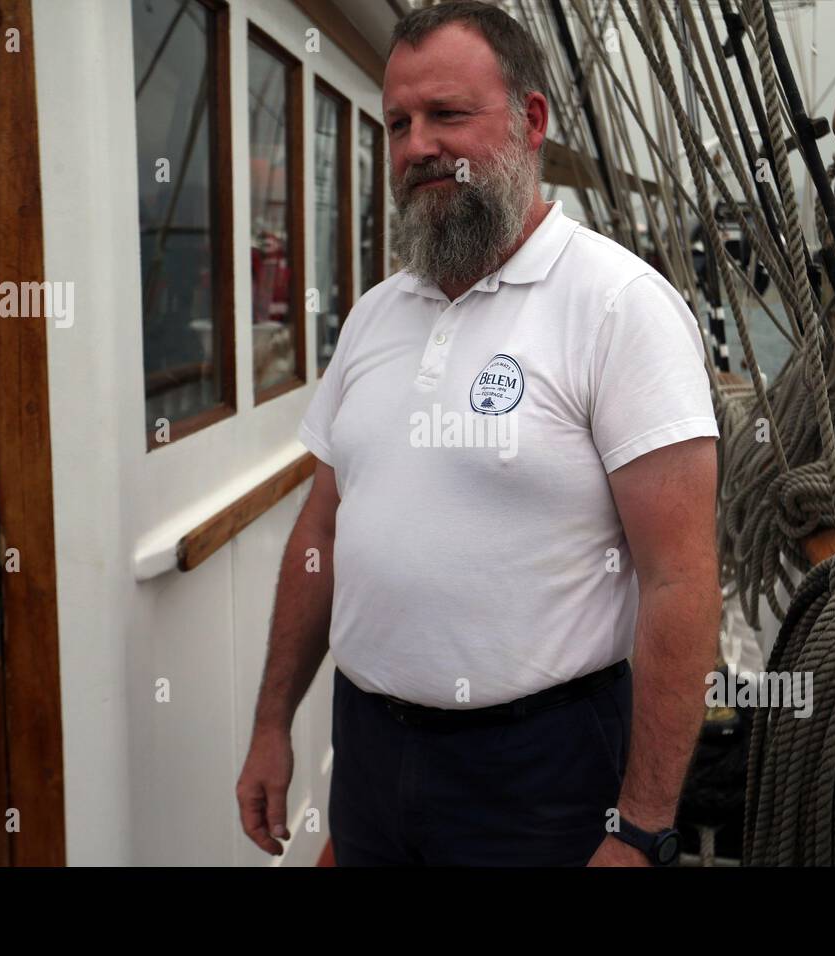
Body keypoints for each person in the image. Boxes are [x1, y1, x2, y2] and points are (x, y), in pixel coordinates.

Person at [236, 0, 721, 866]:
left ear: (530, 120)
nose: (417, 144)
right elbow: (321, 530)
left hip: (542, 776)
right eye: (398, 122)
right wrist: (273, 724)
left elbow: (679, 578)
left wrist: (642, 827)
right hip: (371, 752)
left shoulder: (618, 307)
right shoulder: (376, 317)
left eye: (448, 115)